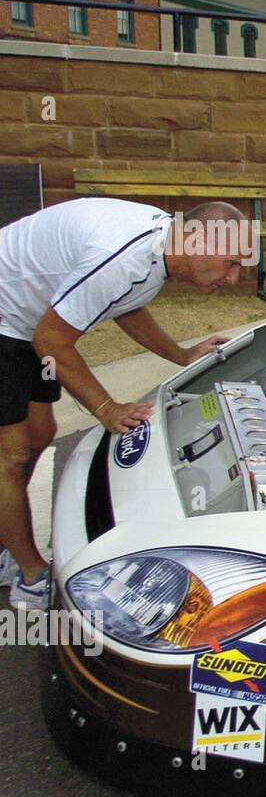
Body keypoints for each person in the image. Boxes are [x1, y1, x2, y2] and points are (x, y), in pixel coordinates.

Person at [0, 198, 249, 609]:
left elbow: (125, 303)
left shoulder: (160, 252)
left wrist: (181, 354)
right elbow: (52, 341)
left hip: (30, 321)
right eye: (231, 262)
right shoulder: (127, 255)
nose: (235, 277)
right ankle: (28, 574)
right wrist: (106, 408)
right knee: (9, 455)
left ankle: (7, 537)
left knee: (40, 432)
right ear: (199, 240)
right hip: (12, 322)